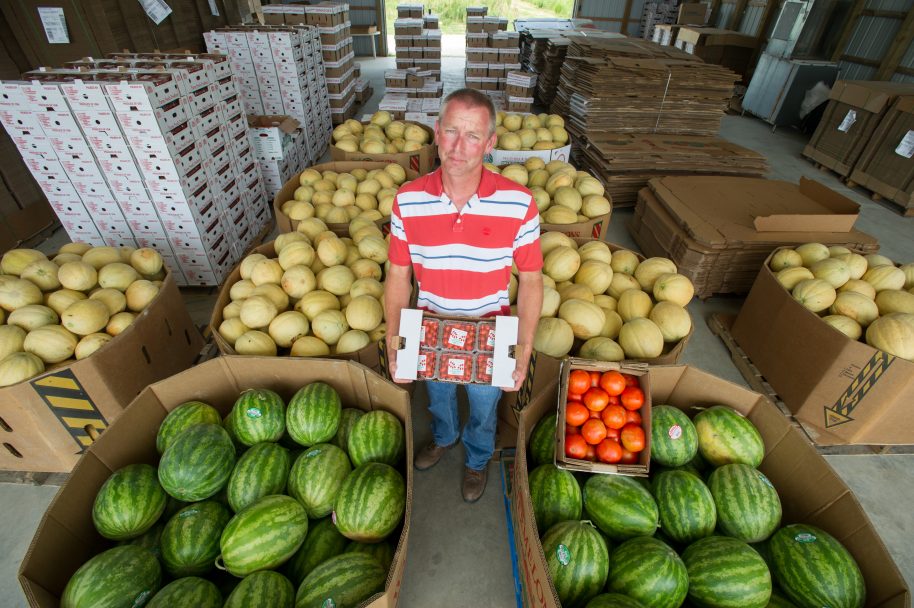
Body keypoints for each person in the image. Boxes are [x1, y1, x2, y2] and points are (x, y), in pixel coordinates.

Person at [383, 89, 544, 503]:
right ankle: (444, 436)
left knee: (485, 406)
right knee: (437, 396)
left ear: (490, 143)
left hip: (492, 332)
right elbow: (398, 275)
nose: (458, 146)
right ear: (437, 132)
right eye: (451, 131)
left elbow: (531, 280)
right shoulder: (407, 200)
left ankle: (477, 457)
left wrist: (524, 346)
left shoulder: (519, 204)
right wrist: (395, 339)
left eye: (472, 136)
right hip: (430, 328)